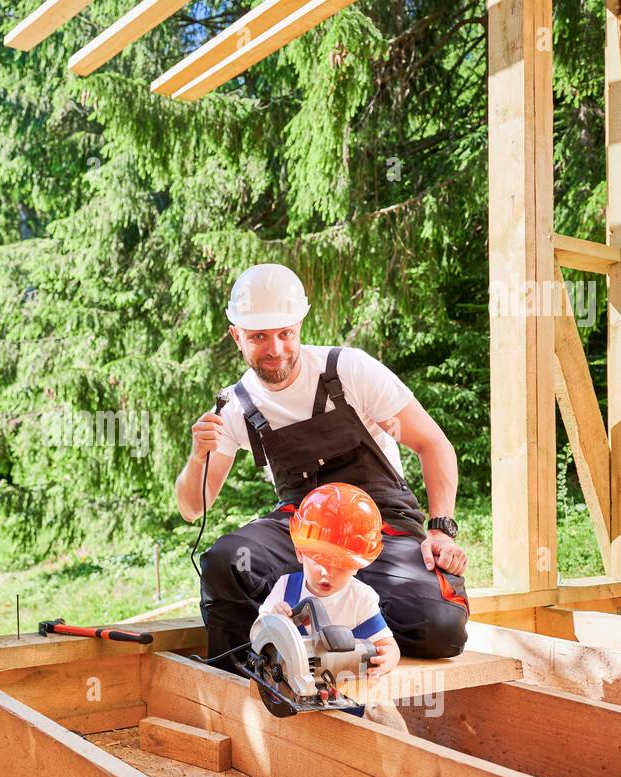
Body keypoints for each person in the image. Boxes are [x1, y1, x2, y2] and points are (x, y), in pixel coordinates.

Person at [176, 262, 469, 672]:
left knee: (440, 627)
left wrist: (441, 528)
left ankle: (334, 622)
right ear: (236, 335)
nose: (275, 349)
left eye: (285, 333)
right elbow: (193, 508)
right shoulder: (237, 405)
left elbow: (432, 443)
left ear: (299, 325)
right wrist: (197, 456)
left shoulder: (349, 370)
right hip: (302, 530)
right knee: (227, 560)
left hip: (378, 524)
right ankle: (250, 666)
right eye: (259, 336)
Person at [258, 482, 401, 680]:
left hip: (347, 688)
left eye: (341, 565)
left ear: (357, 565)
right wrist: (273, 620)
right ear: (300, 553)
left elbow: (388, 646)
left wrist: (388, 659)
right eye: (319, 560)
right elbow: (255, 635)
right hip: (289, 685)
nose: (327, 572)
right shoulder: (286, 587)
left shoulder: (360, 597)